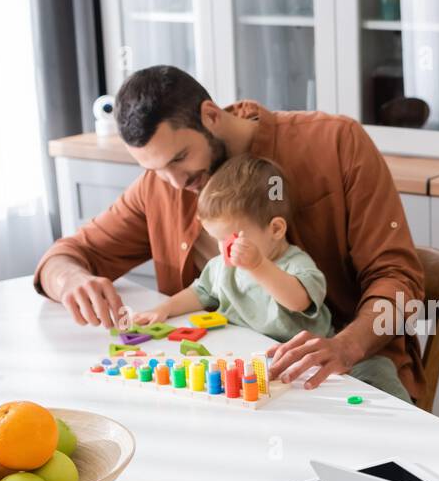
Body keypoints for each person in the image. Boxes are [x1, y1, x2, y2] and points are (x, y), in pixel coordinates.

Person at [34, 65, 425, 403]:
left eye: (179, 158)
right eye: (156, 170)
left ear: (210, 115)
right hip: (239, 388)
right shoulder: (163, 185)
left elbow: (398, 279)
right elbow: (66, 256)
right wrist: (73, 281)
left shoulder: (333, 143)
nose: (175, 182)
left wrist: (346, 346)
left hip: (350, 378)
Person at [131, 154, 405, 396]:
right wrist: (164, 308)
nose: (226, 250)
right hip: (260, 364)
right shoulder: (221, 267)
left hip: (312, 362)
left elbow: (297, 301)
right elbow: (200, 293)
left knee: (377, 369)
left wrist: (258, 265)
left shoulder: (295, 264)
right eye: (218, 240)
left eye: (233, 239)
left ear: (275, 229)